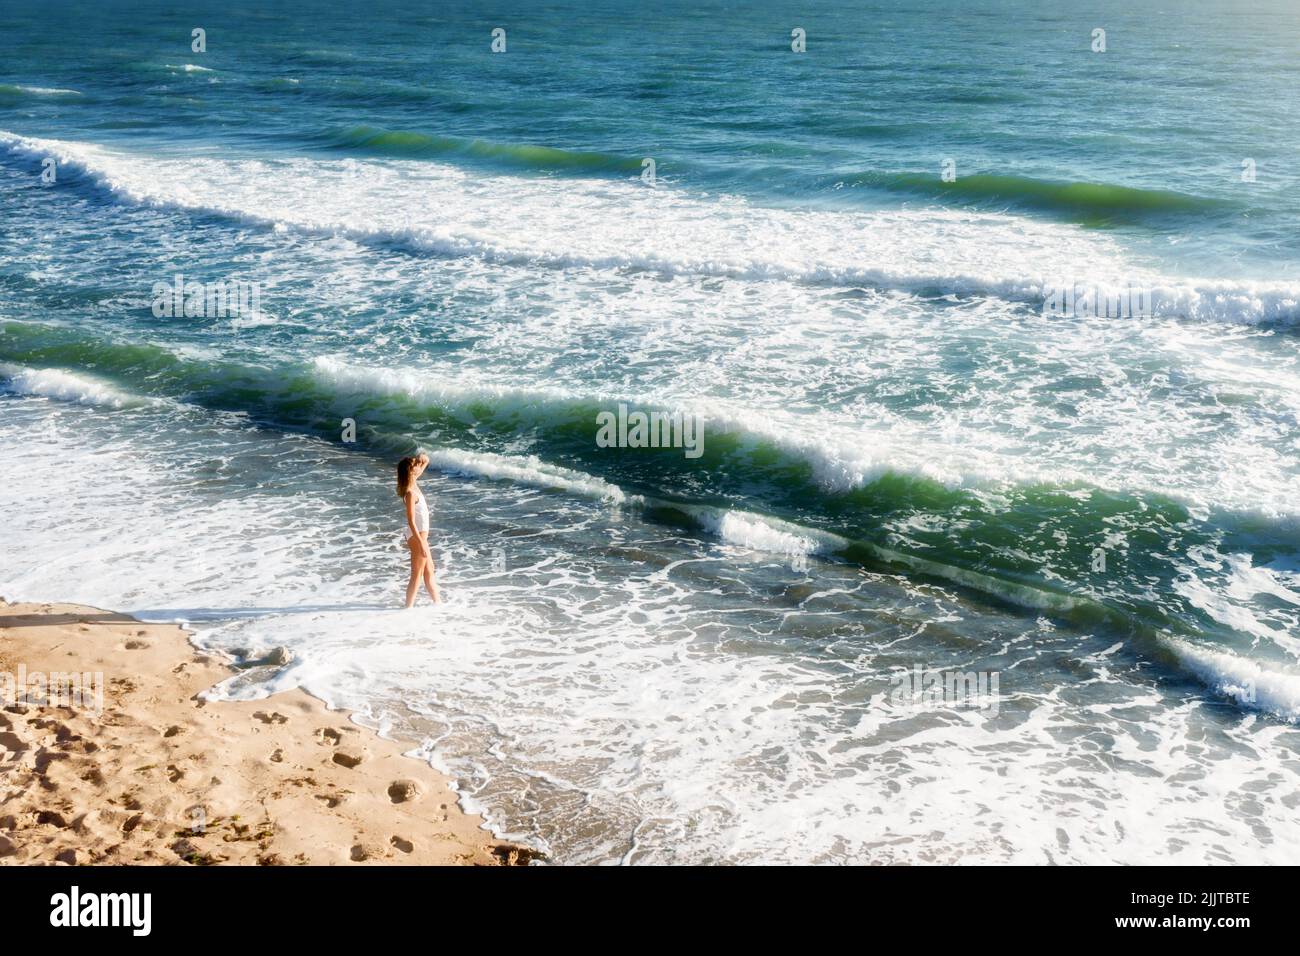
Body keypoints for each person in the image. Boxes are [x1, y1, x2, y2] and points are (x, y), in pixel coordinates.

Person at [397, 453, 441, 607]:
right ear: (410, 471)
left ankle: (438, 604)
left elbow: (426, 460)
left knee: (429, 570)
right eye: (415, 465)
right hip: (417, 537)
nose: (418, 466)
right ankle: (407, 608)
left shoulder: (414, 482)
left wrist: (419, 458)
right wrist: (421, 543)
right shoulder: (410, 493)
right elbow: (410, 521)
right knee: (417, 574)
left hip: (420, 537)